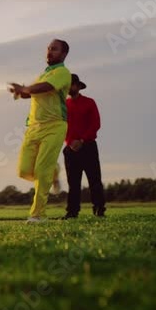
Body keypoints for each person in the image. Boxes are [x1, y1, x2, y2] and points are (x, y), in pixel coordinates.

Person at [8, 39, 71, 223]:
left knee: (42, 171)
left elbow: (46, 87)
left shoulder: (62, 73)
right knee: (23, 170)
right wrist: (20, 92)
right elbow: (31, 92)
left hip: (54, 126)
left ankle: (37, 215)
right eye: (48, 48)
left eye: (54, 49)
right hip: (34, 127)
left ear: (64, 54)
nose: (49, 52)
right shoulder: (43, 75)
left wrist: (25, 88)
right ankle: (54, 172)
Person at [62, 73, 106, 218]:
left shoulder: (89, 102)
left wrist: (81, 140)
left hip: (88, 147)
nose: (68, 87)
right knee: (73, 183)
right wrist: (69, 142)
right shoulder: (63, 105)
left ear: (78, 86)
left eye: (71, 85)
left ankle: (99, 209)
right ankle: (72, 212)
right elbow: (61, 126)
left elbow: (95, 124)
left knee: (94, 180)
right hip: (70, 149)